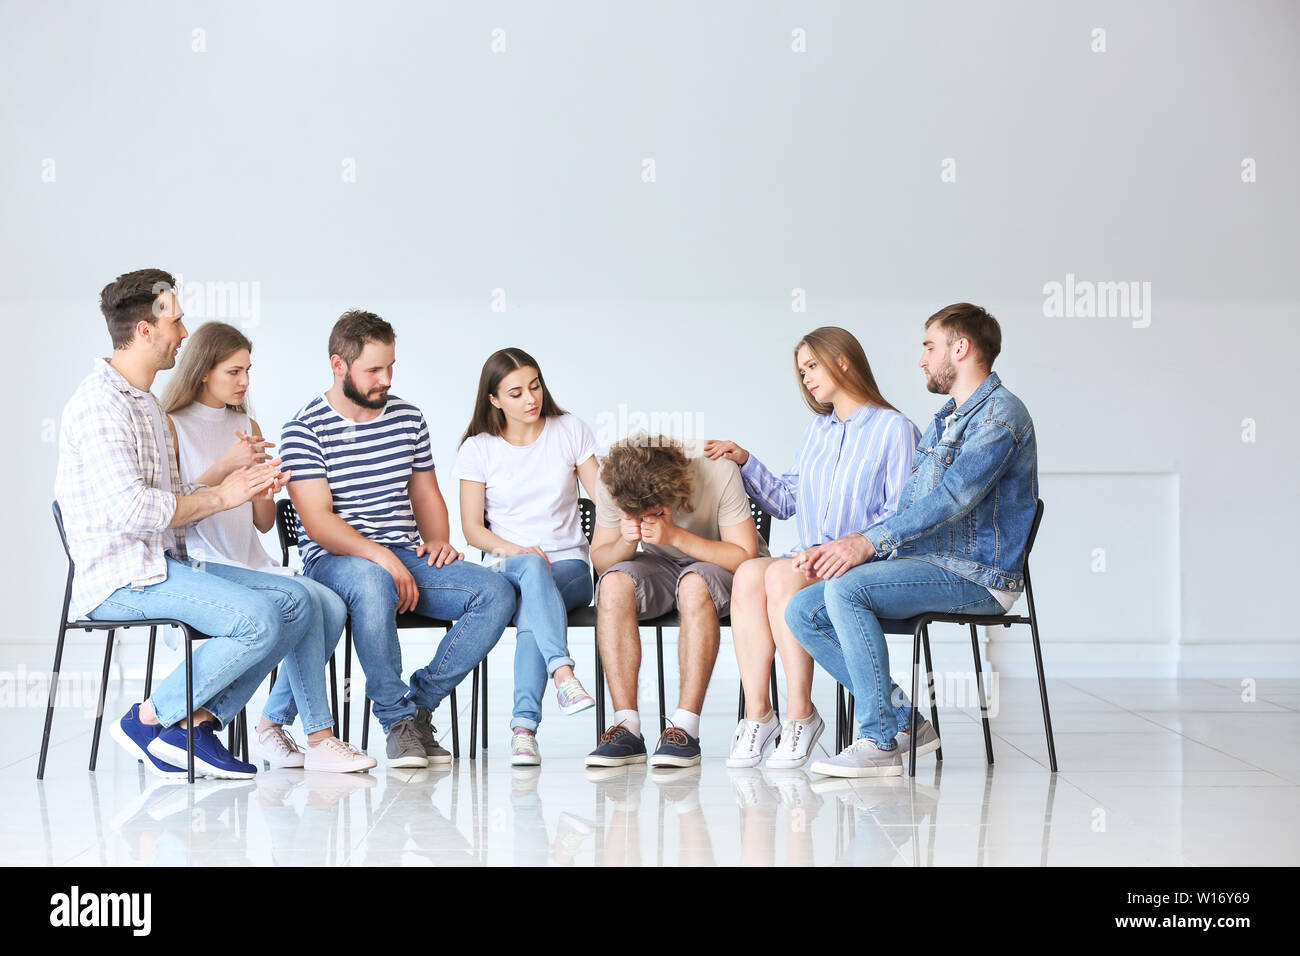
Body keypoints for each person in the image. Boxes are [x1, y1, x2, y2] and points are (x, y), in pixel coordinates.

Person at [56, 269, 313, 780]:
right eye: (175, 320)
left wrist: (234, 488)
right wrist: (222, 494)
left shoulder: (147, 404)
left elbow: (173, 499)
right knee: (259, 618)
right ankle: (145, 719)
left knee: (296, 602)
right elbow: (133, 510)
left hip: (164, 565)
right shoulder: (101, 405)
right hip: (122, 578)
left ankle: (192, 724)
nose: (183, 332)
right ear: (145, 331)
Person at [785, 303, 1038, 777]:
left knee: (847, 588)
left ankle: (879, 739)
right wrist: (850, 545)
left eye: (929, 347)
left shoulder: (1000, 416)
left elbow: (952, 497)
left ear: (960, 348)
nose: (922, 360)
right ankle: (906, 721)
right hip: (932, 564)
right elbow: (910, 504)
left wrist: (867, 543)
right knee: (802, 610)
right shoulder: (945, 419)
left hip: (976, 576)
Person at [280, 310, 516, 769]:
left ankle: (419, 703)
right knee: (373, 582)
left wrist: (439, 541)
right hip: (336, 560)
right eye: (373, 369)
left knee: (495, 591)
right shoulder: (305, 429)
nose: (385, 378)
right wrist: (384, 559)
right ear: (338, 365)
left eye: (390, 366)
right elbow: (318, 523)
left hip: (404, 557)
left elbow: (424, 490)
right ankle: (394, 720)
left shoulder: (408, 417)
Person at [163, 321, 375, 773]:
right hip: (205, 564)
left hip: (251, 562)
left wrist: (266, 490)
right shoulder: (172, 426)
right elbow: (173, 507)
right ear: (203, 371)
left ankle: (270, 727)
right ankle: (319, 736)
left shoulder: (247, 424)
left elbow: (262, 523)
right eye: (233, 372)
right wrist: (226, 467)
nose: (244, 382)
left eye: (248, 371)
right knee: (305, 606)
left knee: (332, 607)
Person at [706, 326, 920, 770]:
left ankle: (801, 714)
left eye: (812, 366)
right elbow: (786, 501)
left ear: (842, 361)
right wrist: (745, 461)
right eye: (801, 371)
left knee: (780, 574)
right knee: (748, 573)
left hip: (857, 565)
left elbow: (901, 520)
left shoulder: (894, 429)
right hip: (809, 558)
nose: (805, 378)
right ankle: (759, 714)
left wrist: (848, 548)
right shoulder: (817, 430)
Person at [454, 348, 598, 767]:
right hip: (507, 568)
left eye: (534, 386)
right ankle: (562, 674)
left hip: (569, 566)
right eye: (515, 393)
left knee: (538, 600)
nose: (530, 399)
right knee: (533, 573)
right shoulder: (478, 449)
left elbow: (605, 500)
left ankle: (523, 731)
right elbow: (472, 530)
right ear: (494, 400)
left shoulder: (569, 429)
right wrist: (521, 552)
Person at [586, 434, 765, 769]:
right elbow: (601, 560)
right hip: (660, 566)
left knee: (694, 584)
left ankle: (684, 728)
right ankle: (627, 728)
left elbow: (744, 555)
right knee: (612, 585)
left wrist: (676, 536)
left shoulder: (717, 470)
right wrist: (628, 540)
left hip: (719, 562)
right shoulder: (612, 480)